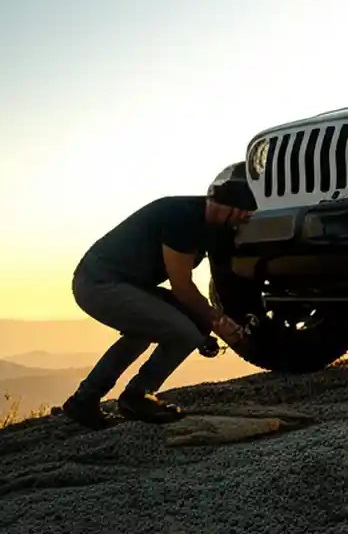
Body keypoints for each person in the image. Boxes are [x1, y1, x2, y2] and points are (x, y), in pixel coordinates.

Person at [60, 164, 257, 429]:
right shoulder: (183, 217)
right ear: (223, 204)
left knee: (167, 327)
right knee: (182, 331)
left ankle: (87, 399)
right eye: (238, 214)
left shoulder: (218, 227)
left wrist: (218, 321)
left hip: (131, 284)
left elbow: (224, 279)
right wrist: (219, 325)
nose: (238, 221)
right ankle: (136, 396)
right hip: (98, 283)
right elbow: (182, 288)